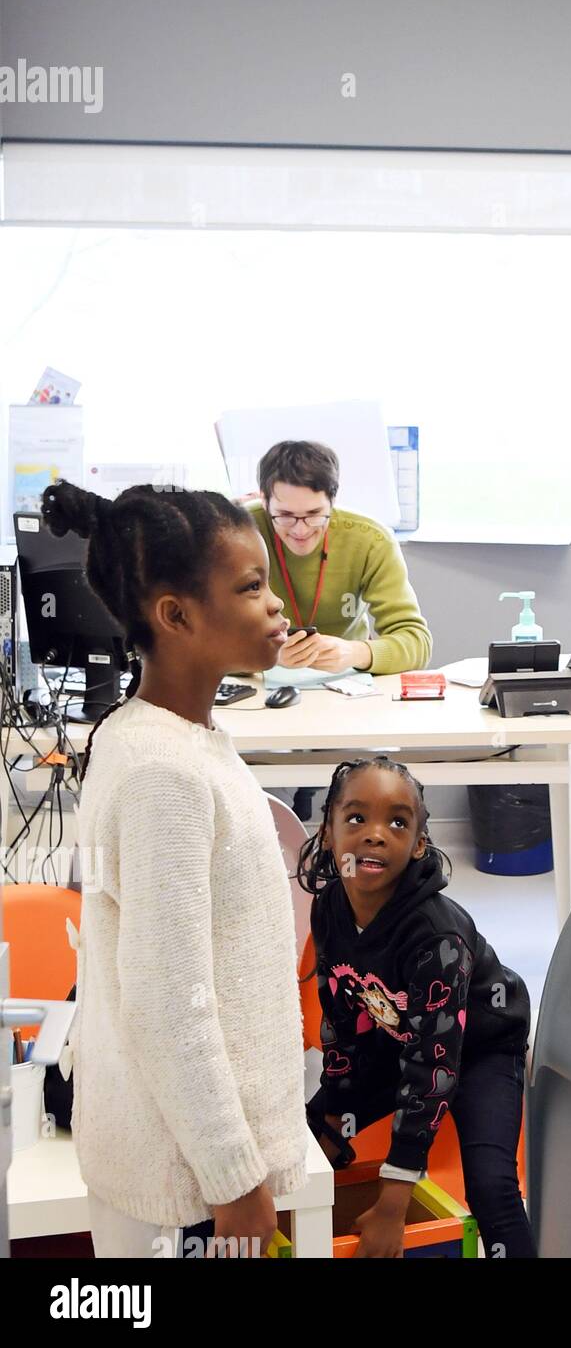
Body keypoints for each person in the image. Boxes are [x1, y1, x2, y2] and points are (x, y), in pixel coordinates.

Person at [42, 478, 309, 1258]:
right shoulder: (166, 773)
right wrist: (233, 1179)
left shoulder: (170, 739)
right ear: (175, 615)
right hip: (187, 1186)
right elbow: (167, 1005)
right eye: (252, 587)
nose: (274, 605)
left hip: (195, 1166)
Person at [301, 756, 536, 1258]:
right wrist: (332, 1115)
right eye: (356, 818)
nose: (375, 834)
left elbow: (435, 1064)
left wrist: (394, 1200)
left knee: (491, 1188)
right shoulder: (329, 908)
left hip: (479, 1050)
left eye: (398, 822)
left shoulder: (436, 935)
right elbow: (342, 1024)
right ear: (328, 833)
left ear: (418, 845)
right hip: (402, 1036)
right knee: (302, 1138)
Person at [247, 440, 432, 817]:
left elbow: (416, 640)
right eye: (284, 515)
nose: (300, 530)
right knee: (260, 806)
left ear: (333, 499)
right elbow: (199, 638)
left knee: (377, 794)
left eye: (315, 514)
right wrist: (264, 655)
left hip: (342, 691)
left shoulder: (370, 539)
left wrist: (356, 652)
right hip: (259, 695)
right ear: (264, 500)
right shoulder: (237, 533)